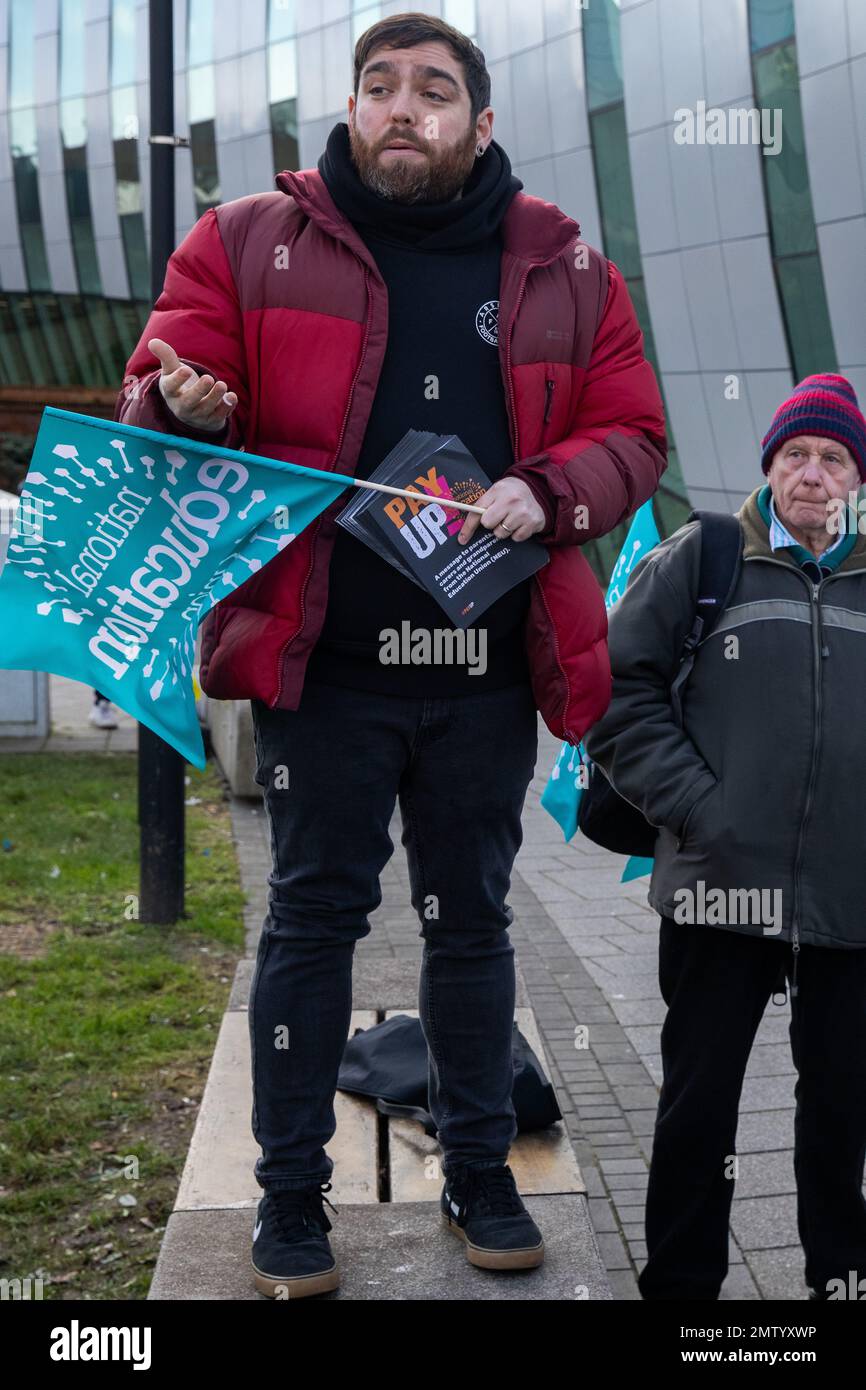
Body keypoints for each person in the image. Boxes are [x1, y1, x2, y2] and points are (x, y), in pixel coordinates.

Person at [114, 12, 666, 1299]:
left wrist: (553, 488)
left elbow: (630, 427)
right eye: (379, 87)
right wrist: (173, 399)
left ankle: (479, 1172)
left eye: (432, 89)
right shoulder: (250, 239)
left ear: (479, 121)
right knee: (309, 924)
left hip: (483, 676)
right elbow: (159, 389)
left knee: (471, 927)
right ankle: (288, 1200)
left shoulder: (565, 262)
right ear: (352, 110)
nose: (401, 108)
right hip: (327, 670)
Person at [584, 373, 866, 1302]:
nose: (814, 475)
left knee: (842, 1109)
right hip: (718, 885)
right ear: (770, 468)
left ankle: (839, 1280)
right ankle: (683, 1289)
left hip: (851, 896)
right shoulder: (703, 557)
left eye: (833, 458)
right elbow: (615, 695)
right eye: (797, 456)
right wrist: (701, 808)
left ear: (856, 478)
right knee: (698, 1105)